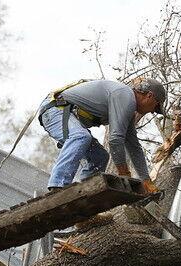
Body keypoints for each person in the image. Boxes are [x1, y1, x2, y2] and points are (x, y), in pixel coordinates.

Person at [37, 78, 166, 195]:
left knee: (100, 157)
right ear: (149, 96)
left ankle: (85, 195)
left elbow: (134, 147)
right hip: (55, 110)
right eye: (155, 107)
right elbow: (115, 139)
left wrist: (146, 180)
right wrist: (124, 174)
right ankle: (58, 187)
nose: (152, 111)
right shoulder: (126, 95)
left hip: (65, 114)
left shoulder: (126, 104)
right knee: (81, 137)